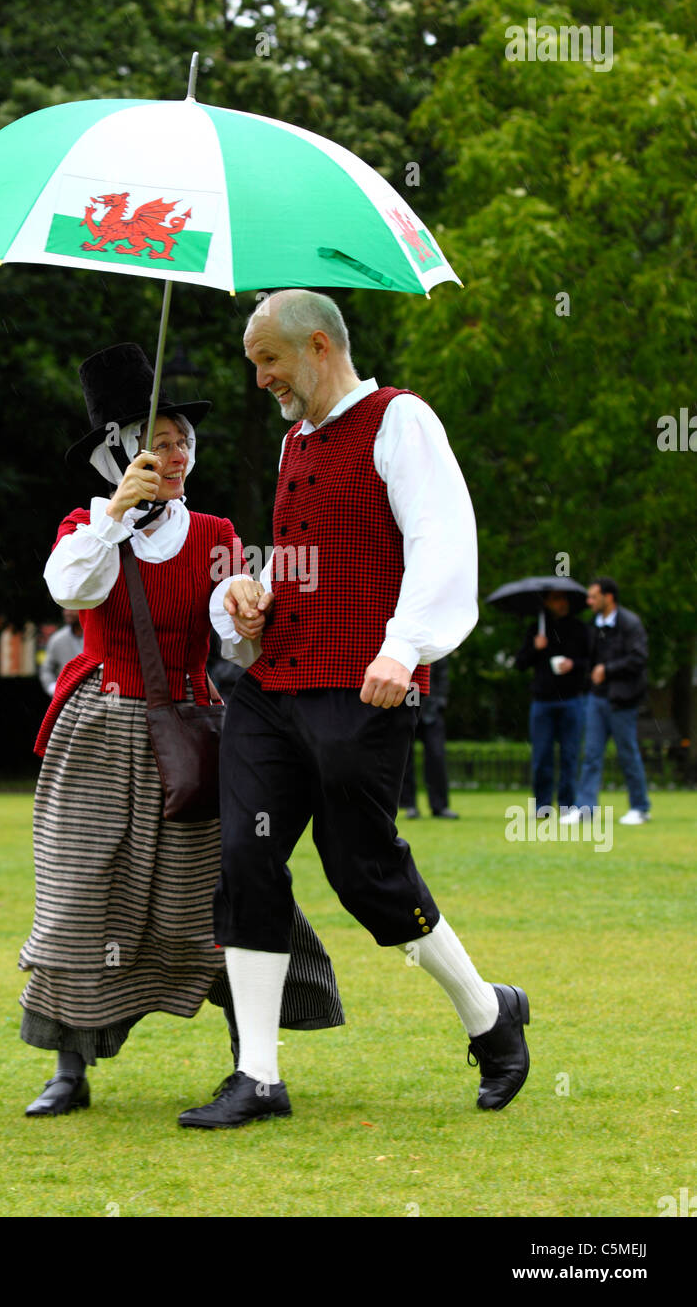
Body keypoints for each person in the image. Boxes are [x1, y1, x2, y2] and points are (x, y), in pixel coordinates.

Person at [180, 289, 531, 1130]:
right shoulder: (294, 441)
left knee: (361, 870)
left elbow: (441, 538)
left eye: (267, 359)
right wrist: (252, 597)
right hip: (272, 688)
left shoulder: (400, 421)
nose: (259, 377)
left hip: (363, 684)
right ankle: (257, 1075)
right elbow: (307, 558)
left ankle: (489, 1014)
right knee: (244, 860)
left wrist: (403, 648)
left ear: (318, 345)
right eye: (253, 363)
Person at [18, 342, 343, 1117]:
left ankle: (250, 1059)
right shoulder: (86, 525)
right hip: (96, 732)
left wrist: (247, 611)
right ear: (118, 449)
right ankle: (70, 1066)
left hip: (193, 738)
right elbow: (70, 588)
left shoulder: (217, 533)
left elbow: (234, 640)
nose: (177, 453)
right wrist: (117, 514)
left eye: (183, 440)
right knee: (79, 890)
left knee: (215, 890)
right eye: (159, 441)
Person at [562, 577, 651, 826]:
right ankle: (586, 808)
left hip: (623, 700)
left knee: (627, 754)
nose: (588, 601)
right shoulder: (594, 625)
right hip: (596, 698)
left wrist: (608, 669)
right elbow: (589, 660)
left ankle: (640, 807)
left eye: (593, 596)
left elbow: (638, 658)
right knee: (591, 754)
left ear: (608, 597)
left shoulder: (630, 624)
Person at [514, 590, 589, 813]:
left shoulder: (579, 629)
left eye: (563, 598)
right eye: (555, 598)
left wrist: (573, 665)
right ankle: (542, 805)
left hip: (572, 700)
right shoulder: (536, 629)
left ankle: (567, 805)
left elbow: (589, 661)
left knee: (570, 755)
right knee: (541, 756)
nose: (561, 603)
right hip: (542, 701)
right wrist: (534, 648)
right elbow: (519, 664)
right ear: (546, 603)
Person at [399, 657, 458, 818]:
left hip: (432, 710)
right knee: (405, 758)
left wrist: (440, 703)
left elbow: (443, 677)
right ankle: (409, 805)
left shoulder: (435, 646)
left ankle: (439, 806)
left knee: (436, 756)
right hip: (407, 707)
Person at [38, 610, 84, 697]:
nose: (67, 613)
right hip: (66, 699)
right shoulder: (57, 639)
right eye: (65, 609)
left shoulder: (97, 636)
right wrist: (53, 688)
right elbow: (46, 669)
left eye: (72, 609)